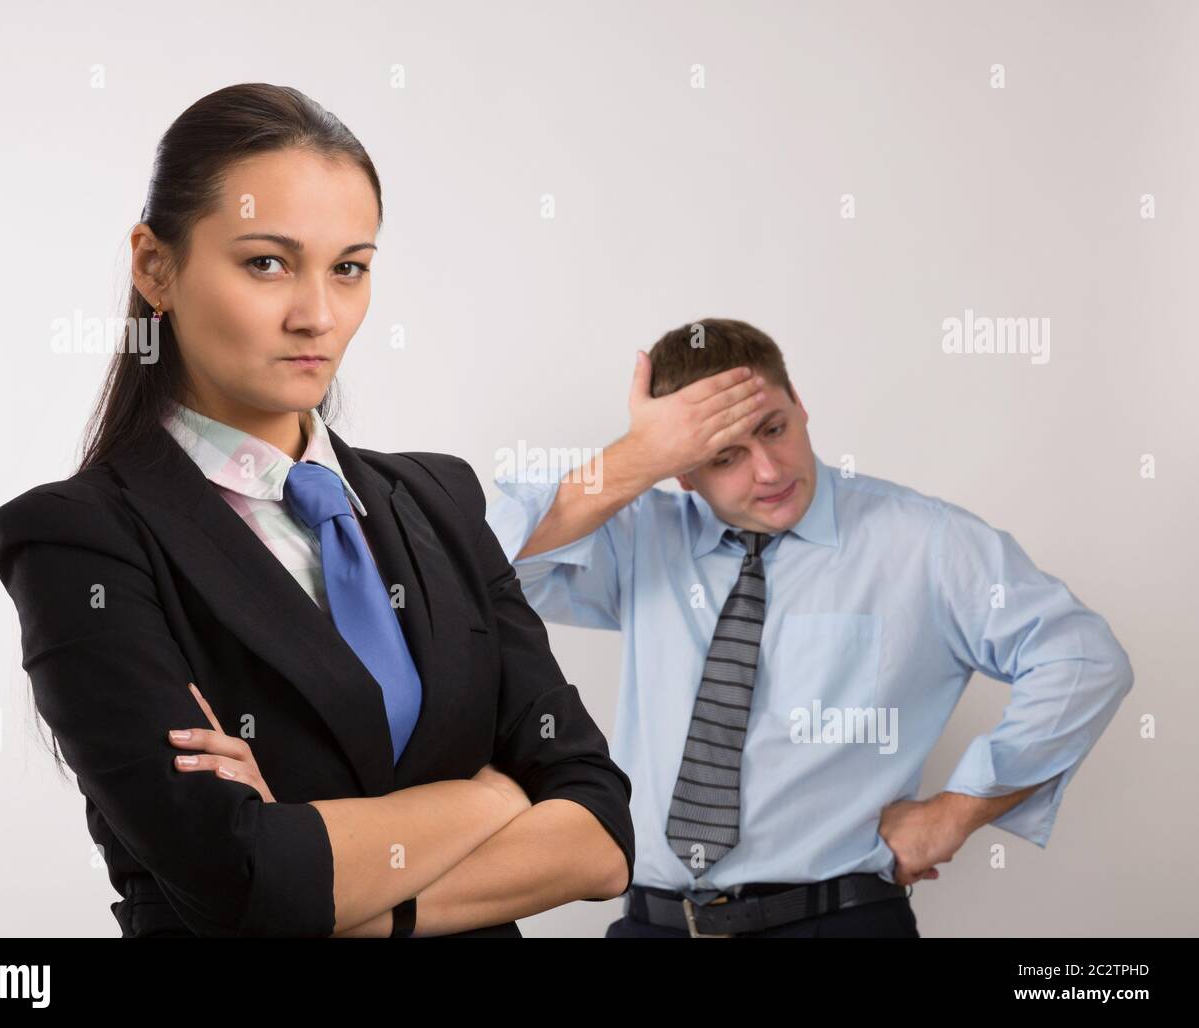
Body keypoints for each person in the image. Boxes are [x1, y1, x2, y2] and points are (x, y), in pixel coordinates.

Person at [0, 83, 634, 939]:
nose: (317, 315)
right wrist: (492, 794)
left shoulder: (440, 500)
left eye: (349, 268)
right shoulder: (79, 541)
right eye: (266, 262)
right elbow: (239, 876)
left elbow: (600, 830)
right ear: (155, 267)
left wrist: (346, 894)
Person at [486, 318, 1134, 938]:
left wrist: (961, 808)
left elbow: (1081, 657)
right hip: (653, 923)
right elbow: (493, 560)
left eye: (774, 428)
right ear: (679, 470)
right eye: (725, 455)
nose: (768, 470)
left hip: (838, 921)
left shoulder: (922, 542)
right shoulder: (640, 538)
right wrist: (637, 456)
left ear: (799, 401)